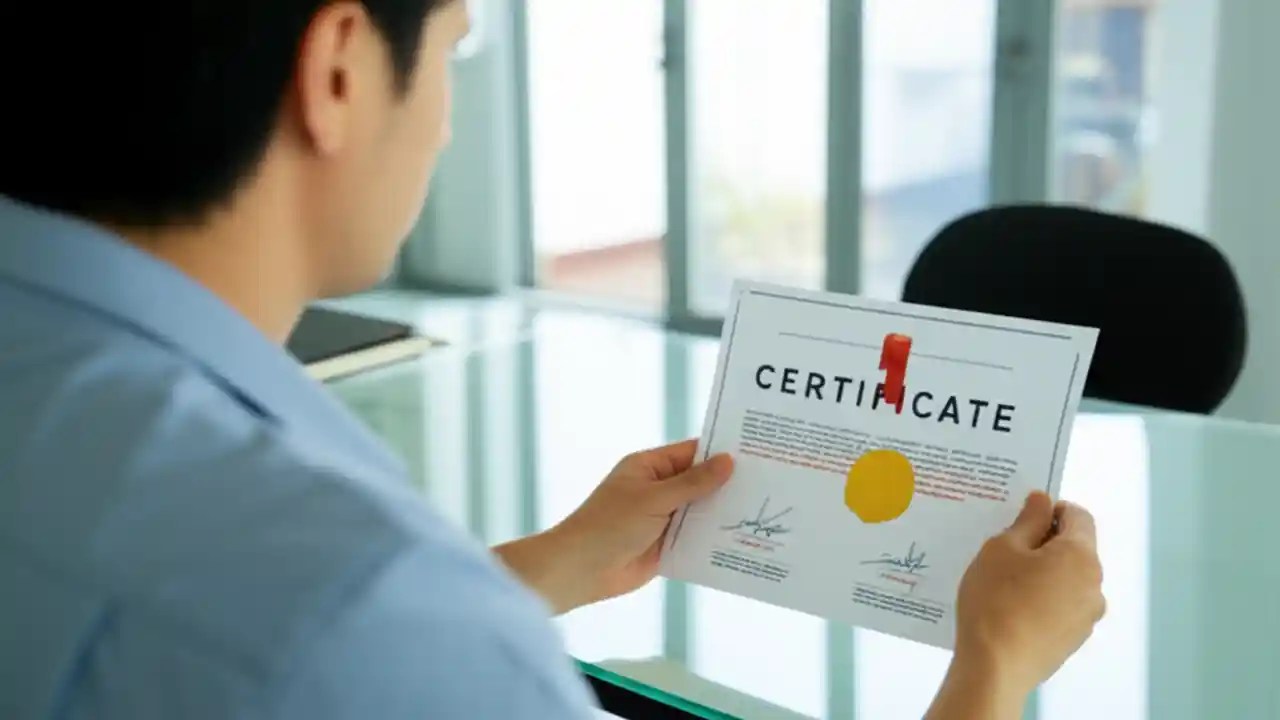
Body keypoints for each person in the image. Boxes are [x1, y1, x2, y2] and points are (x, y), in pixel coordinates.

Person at [0, 1, 1104, 718]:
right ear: (338, 70)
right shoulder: (351, 600)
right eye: (453, 48)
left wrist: (559, 562)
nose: (439, 123)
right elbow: (347, 639)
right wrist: (993, 669)